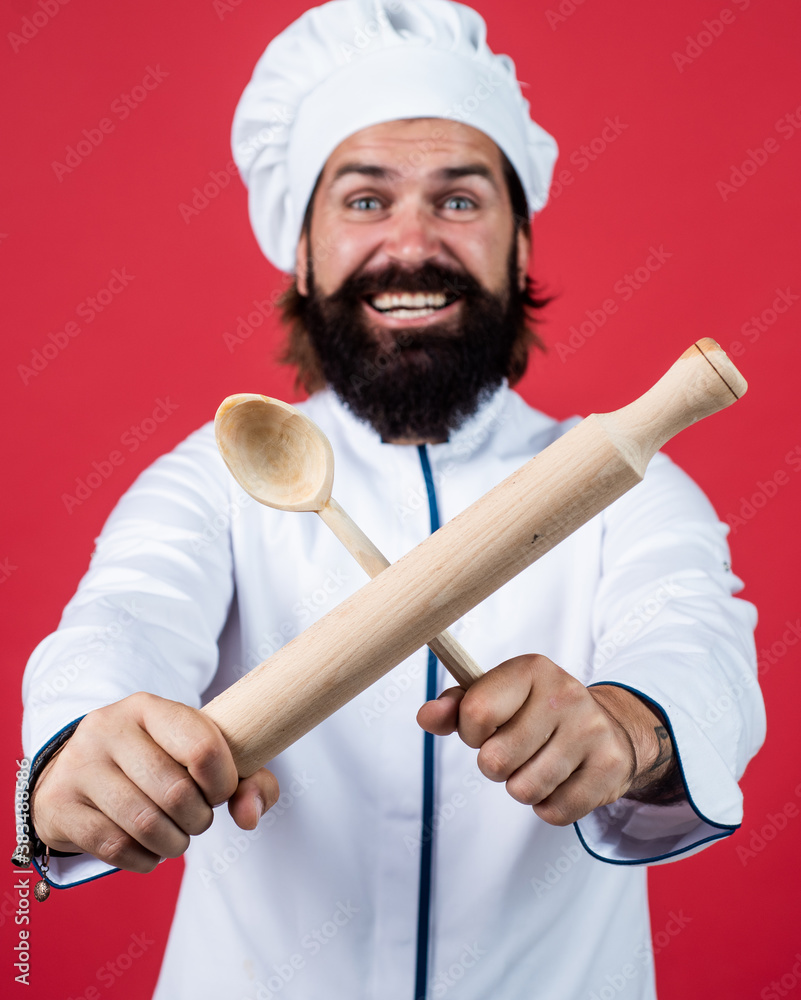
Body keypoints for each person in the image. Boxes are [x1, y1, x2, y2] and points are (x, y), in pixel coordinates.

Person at [17, 2, 765, 998]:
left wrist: (625, 727)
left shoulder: (628, 486)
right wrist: (82, 745)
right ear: (303, 250)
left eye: (460, 201)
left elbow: (695, 648)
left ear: (520, 244)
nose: (412, 243)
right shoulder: (216, 478)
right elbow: (120, 622)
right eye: (365, 202)